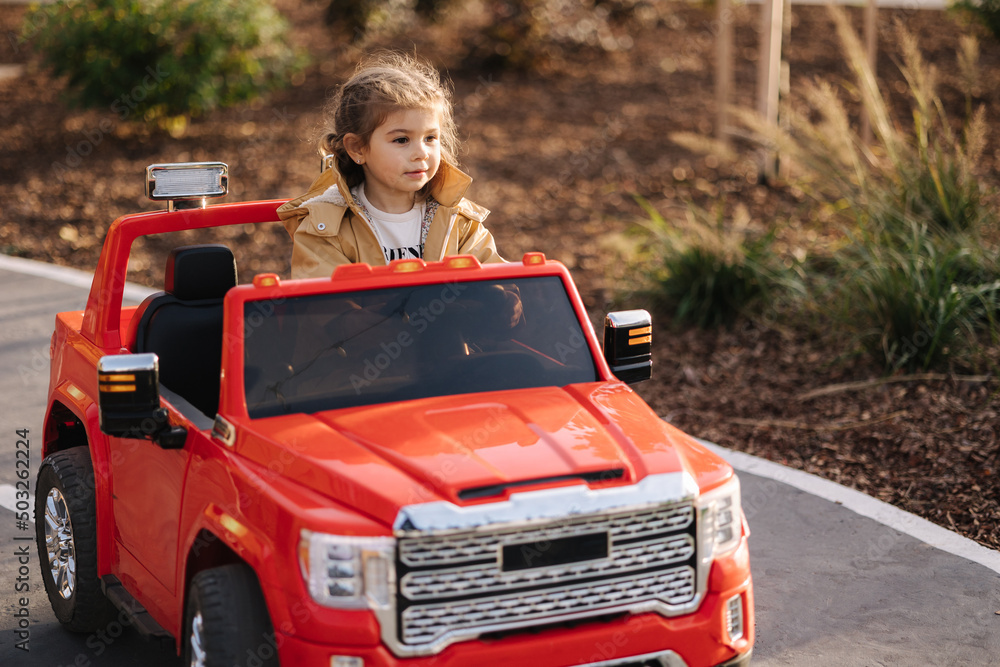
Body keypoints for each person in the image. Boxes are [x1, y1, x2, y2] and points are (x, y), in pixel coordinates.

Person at [278, 52, 505, 278]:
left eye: (430, 138)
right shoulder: (325, 227)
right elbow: (329, 308)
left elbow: (497, 286)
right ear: (358, 148)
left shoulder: (459, 221)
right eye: (401, 140)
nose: (421, 153)